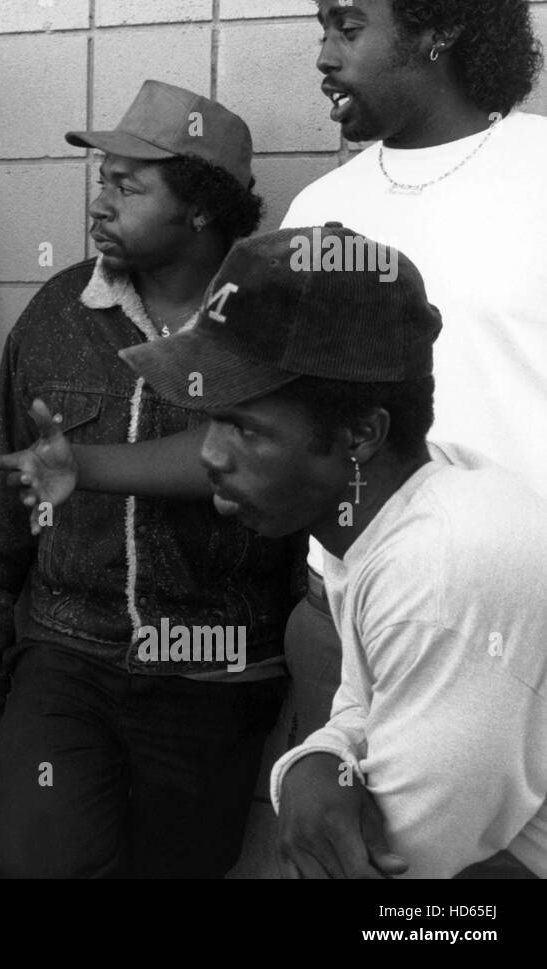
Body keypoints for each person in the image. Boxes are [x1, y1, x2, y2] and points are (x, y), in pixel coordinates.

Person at [0, 81, 306, 878]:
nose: (100, 202)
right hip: (67, 657)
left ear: (202, 207)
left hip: (215, 671)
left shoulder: (269, 324)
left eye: (126, 185)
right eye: (101, 179)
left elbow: (288, 487)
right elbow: (9, 493)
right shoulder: (58, 312)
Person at [111, 225, 547, 879]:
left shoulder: (441, 572)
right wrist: (313, 763)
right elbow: (362, 705)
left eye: (245, 428)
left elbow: (389, 872)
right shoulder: (389, 515)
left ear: (361, 433)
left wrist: (319, 772)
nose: (210, 455)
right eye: (213, 420)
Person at [278, 0, 547, 744]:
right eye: (321, 29)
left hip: (516, 631)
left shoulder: (537, 175)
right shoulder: (318, 210)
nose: (324, 57)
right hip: (344, 620)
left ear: (437, 33)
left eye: (348, 27)